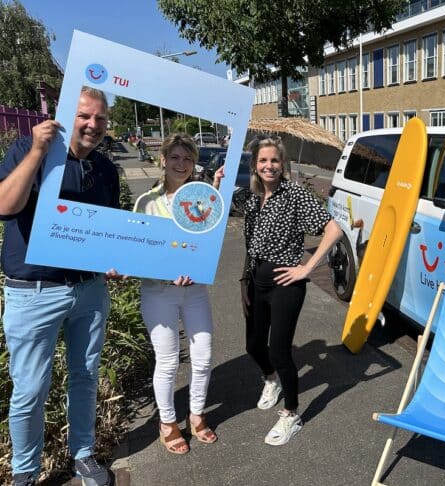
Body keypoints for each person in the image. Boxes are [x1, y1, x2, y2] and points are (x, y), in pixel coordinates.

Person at [0, 87, 121, 486]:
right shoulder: (27, 150)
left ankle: (83, 455)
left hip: (89, 290)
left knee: (85, 377)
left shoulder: (105, 169)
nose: (92, 124)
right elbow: (5, 206)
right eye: (84, 115)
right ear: (67, 114)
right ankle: (24, 473)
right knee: (30, 390)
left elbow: (109, 232)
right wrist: (38, 151)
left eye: (100, 118)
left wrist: (115, 262)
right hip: (33, 292)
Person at [237, 137, 342, 446]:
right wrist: (244, 281)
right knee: (253, 346)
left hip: (286, 283)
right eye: (263, 160)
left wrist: (306, 269)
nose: (269, 166)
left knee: (279, 350)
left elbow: (334, 230)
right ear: (254, 164)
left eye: (274, 160)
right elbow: (224, 219)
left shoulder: (295, 194)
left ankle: (291, 414)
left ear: (283, 164)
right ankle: (271, 379)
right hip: (256, 281)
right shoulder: (253, 197)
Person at [133, 133, 221, 454]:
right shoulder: (147, 202)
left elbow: (209, 241)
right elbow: (138, 248)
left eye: (187, 159)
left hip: (195, 290)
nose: (181, 164)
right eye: (175, 157)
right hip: (159, 292)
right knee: (168, 361)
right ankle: (167, 423)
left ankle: (196, 415)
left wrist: (219, 189)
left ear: (194, 163)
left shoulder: (202, 197)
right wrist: (166, 271)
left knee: (204, 355)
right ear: (163, 160)